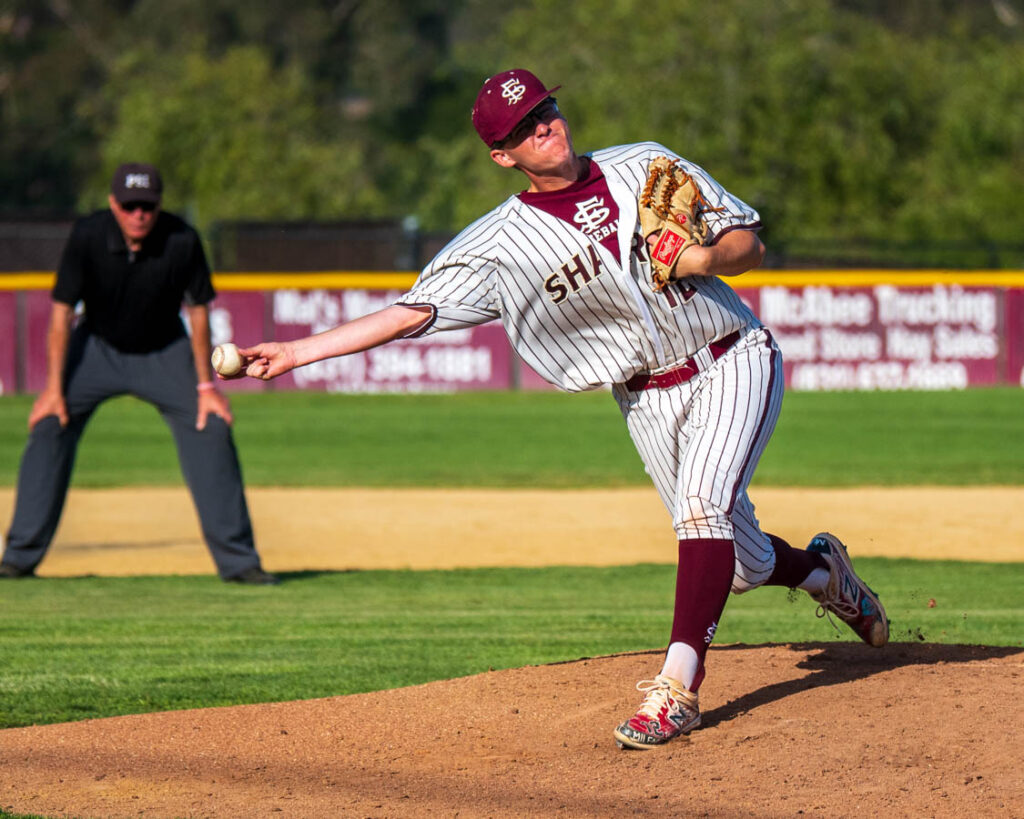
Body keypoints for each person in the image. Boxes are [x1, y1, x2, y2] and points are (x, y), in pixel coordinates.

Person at [228, 69, 888, 745]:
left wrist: (702, 257)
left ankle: (678, 688)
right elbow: (408, 314)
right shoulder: (497, 246)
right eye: (524, 127)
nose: (544, 124)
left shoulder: (645, 165)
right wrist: (295, 353)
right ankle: (821, 572)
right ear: (503, 154)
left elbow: (750, 242)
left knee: (700, 512)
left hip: (732, 357)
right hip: (645, 397)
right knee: (741, 565)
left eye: (545, 108)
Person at [0, 163, 277, 585]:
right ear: (113, 204)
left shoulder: (182, 239)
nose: (138, 214)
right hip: (96, 348)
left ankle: (240, 564)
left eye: (146, 206)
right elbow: (61, 315)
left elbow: (198, 312)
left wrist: (206, 387)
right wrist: (53, 390)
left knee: (211, 426)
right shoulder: (88, 235)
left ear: (159, 205)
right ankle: (18, 558)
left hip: (165, 350)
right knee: (48, 425)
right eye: (129, 205)